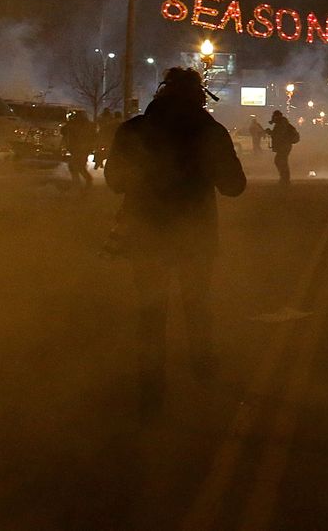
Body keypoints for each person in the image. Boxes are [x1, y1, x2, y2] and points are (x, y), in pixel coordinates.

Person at [105, 67, 246, 417]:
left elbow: (115, 181)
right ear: (199, 97)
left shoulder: (135, 129)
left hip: (146, 232)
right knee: (197, 304)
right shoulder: (210, 132)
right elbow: (234, 186)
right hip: (195, 234)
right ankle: (203, 373)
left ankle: (151, 392)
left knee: (151, 311)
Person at [60, 109, 95, 186]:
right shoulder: (90, 125)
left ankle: (80, 182)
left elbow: (63, 130)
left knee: (74, 166)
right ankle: (81, 181)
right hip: (84, 148)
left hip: (77, 148)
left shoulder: (74, 124)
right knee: (79, 166)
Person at [268, 110, 299, 184]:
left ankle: (285, 179)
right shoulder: (282, 123)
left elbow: (279, 135)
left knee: (281, 161)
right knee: (281, 161)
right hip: (284, 145)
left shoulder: (282, 123)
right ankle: (284, 178)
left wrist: (270, 132)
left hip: (284, 145)